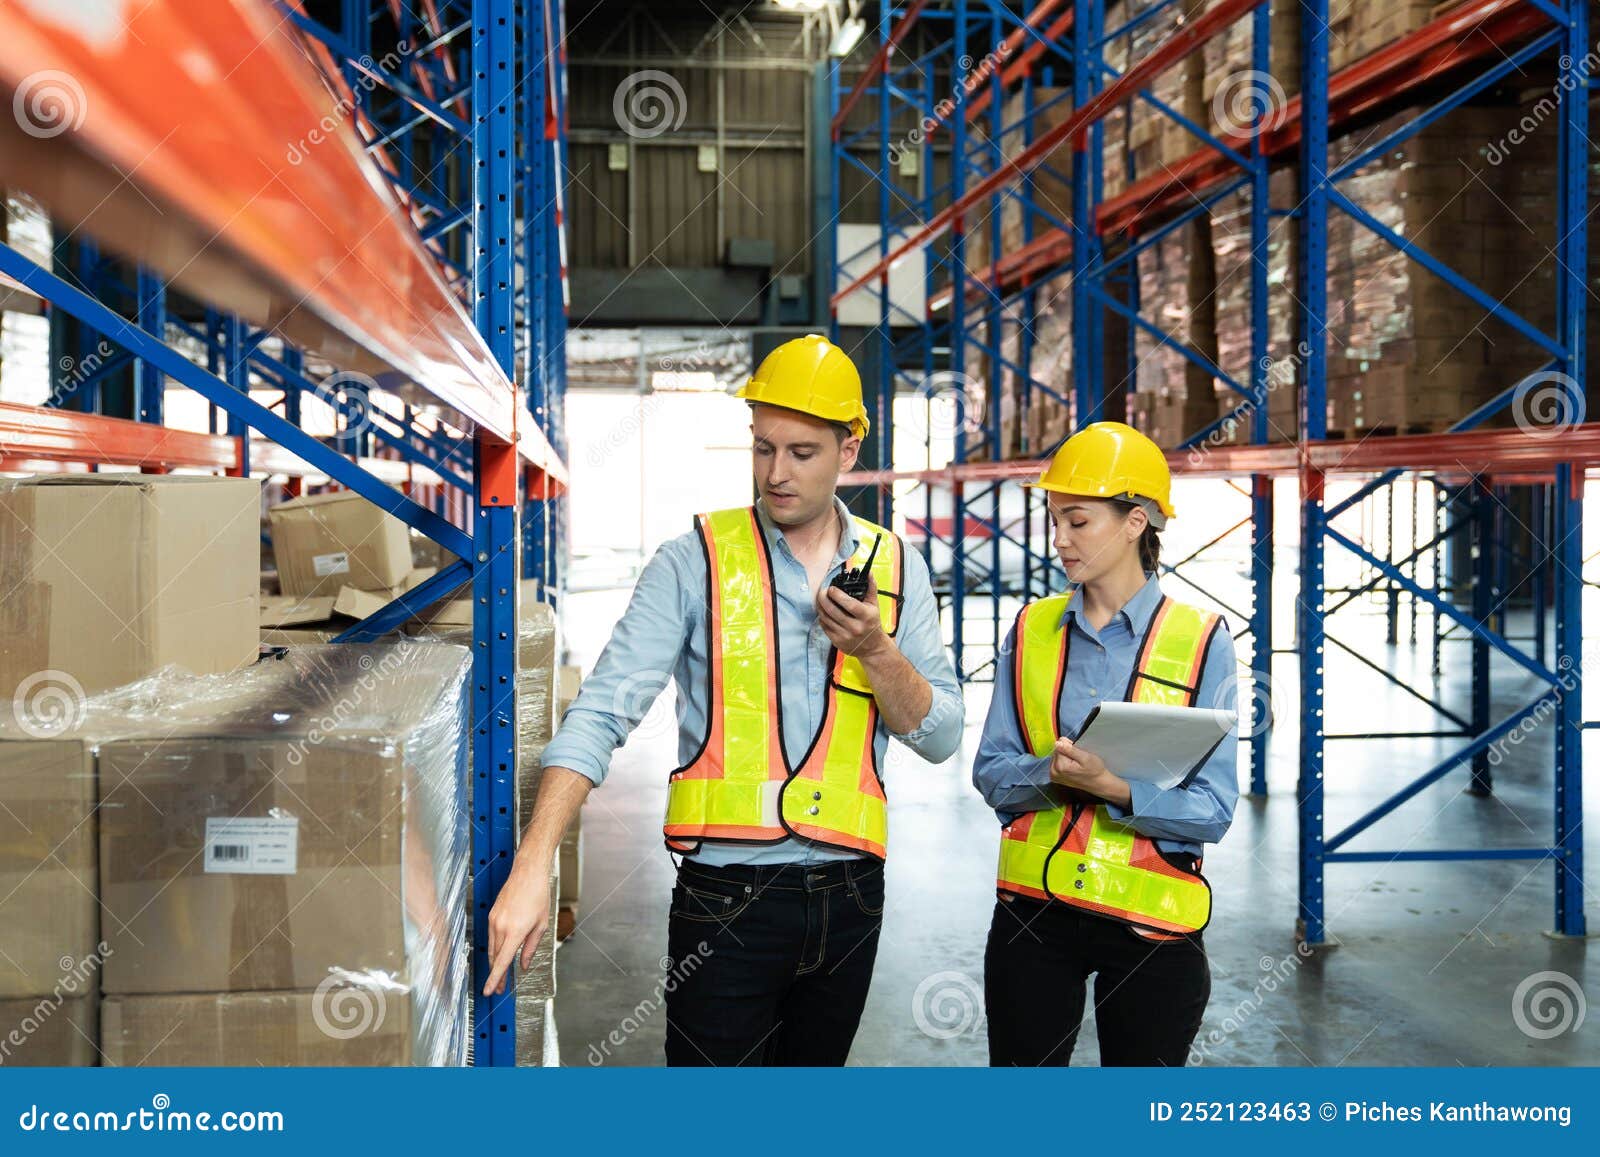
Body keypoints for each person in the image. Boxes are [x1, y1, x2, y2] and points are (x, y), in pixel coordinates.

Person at [483, 333, 963, 1066]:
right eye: (763, 447)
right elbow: (601, 713)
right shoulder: (693, 562)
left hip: (851, 900)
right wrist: (531, 865)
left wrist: (875, 649)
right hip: (725, 903)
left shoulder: (896, 569)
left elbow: (939, 735)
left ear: (850, 449)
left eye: (802, 452)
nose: (776, 473)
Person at [972, 420, 1240, 1067]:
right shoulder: (1032, 628)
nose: (1058, 539)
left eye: (1077, 520)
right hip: (1033, 916)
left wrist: (1117, 791)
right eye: (1053, 519)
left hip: (1151, 925)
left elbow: (1215, 809)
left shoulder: (1202, 638)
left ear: (1136, 522)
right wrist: (1055, 773)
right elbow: (991, 772)